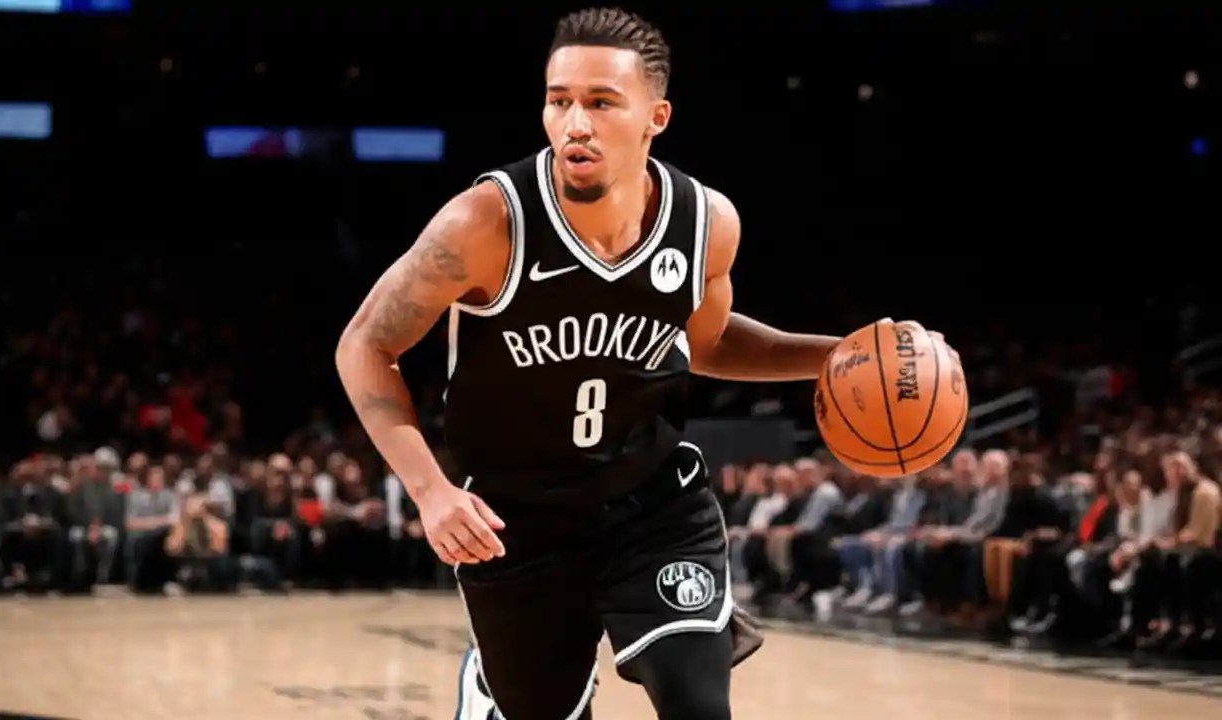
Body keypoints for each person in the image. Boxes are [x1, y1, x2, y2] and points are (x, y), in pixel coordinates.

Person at [335, 8, 951, 718]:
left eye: (600, 102)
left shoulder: (705, 225)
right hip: (516, 514)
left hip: (650, 499)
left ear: (655, 117)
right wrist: (431, 490)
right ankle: (494, 687)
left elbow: (707, 342)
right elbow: (365, 344)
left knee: (697, 703)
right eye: (558, 100)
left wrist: (843, 357)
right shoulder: (485, 226)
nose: (575, 124)